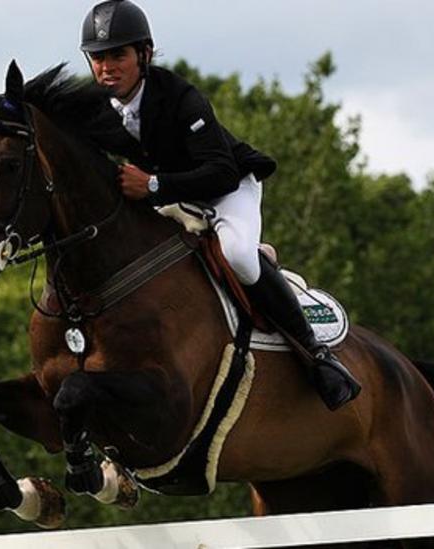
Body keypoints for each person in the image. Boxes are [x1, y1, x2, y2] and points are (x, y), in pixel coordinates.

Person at [80, 0, 360, 410]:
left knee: (238, 256)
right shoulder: (93, 108)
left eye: (117, 55)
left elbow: (222, 172)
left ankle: (317, 355)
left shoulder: (180, 97)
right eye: (98, 58)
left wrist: (154, 185)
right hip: (171, 200)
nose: (107, 67)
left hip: (226, 190)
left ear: (144, 54)